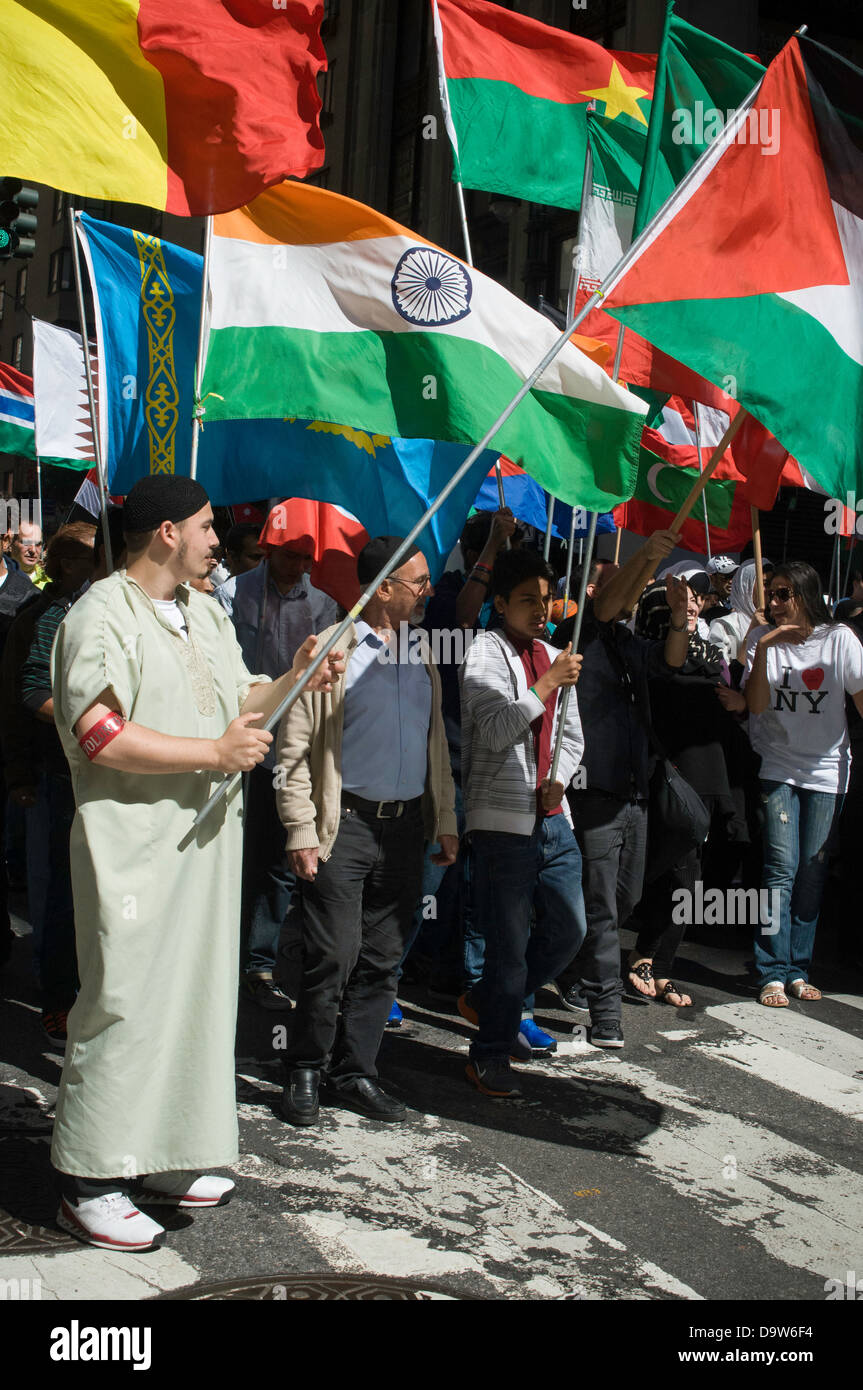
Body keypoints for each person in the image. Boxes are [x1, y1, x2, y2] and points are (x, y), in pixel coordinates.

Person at [49, 474, 343, 1253]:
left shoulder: (204, 610)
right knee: (125, 1004)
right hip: (135, 851)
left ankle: (159, 1154)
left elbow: (244, 698)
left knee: (192, 1001)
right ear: (167, 533)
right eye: (209, 527)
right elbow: (98, 732)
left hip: (204, 851)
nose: (222, 541)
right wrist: (212, 754)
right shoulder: (99, 613)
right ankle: (89, 1179)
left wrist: (297, 676)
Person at [276, 536, 458, 1126]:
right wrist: (301, 828)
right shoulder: (333, 651)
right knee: (332, 954)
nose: (427, 592)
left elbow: (437, 750)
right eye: (418, 582)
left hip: (404, 831)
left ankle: (355, 1072)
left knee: (383, 959)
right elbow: (294, 747)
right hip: (344, 825)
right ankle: (304, 1067)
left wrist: (446, 821)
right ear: (382, 588)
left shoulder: (423, 652)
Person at [551, 531, 690, 1041]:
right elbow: (607, 606)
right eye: (623, 582)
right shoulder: (577, 632)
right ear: (594, 591)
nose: (635, 590)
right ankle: (606, 1013)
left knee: (623, 900)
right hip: (592, 795)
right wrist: (646, 555)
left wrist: (679, 617)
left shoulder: (629, 644)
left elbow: (671, 660)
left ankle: (569, 969)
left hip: (636, 796)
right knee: (604, 908)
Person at [458, 548, 585, 1097]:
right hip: (503, 819)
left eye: (545, 598)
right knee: (509, 949)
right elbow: (491, 729)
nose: (540, 609)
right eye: (527, 599)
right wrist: (544, 685)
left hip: (554, 817)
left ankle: (490, 1003)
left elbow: (572, 737)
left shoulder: (555, 653)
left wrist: (563, 775)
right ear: (501, 603)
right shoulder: (484, 650)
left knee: (571, 928)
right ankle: (488, 1052)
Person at [217, 511, 340, 1007]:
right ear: (269, 549)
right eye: (289, 555)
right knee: (229, 853)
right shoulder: (233, 594)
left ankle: (260, 963)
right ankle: (219, 953)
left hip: (290, 750)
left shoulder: (324, 605)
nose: (298, 566)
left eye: (306, 558)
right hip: (235, 736)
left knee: (275, 861)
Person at [743, 560, 863, 1006]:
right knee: (780, 868)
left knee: (812, 872)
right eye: (770, 594)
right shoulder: (762, 640)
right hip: (778, 767)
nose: (772, 603)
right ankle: (771, 970)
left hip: (829, 771)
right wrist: (767, 645)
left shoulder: (839, 639)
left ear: (805, 596)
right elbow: (756, 706)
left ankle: (798, 967)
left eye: (782, 594)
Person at [2, 526, 97, 1044]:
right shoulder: (40, 618)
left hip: (107, 777)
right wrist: (18, 773)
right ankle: (58, 997)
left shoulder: (115, 613)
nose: (99, 566)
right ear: (62, 565)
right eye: (88, 558)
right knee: (57, 891)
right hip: (55, 776)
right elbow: (20, 697)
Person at [9, 516, 47, 588]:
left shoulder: (50, 586)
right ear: (10, 544)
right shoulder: (2, 579)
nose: (33, 550)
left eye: (38, 544)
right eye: (26, 543)